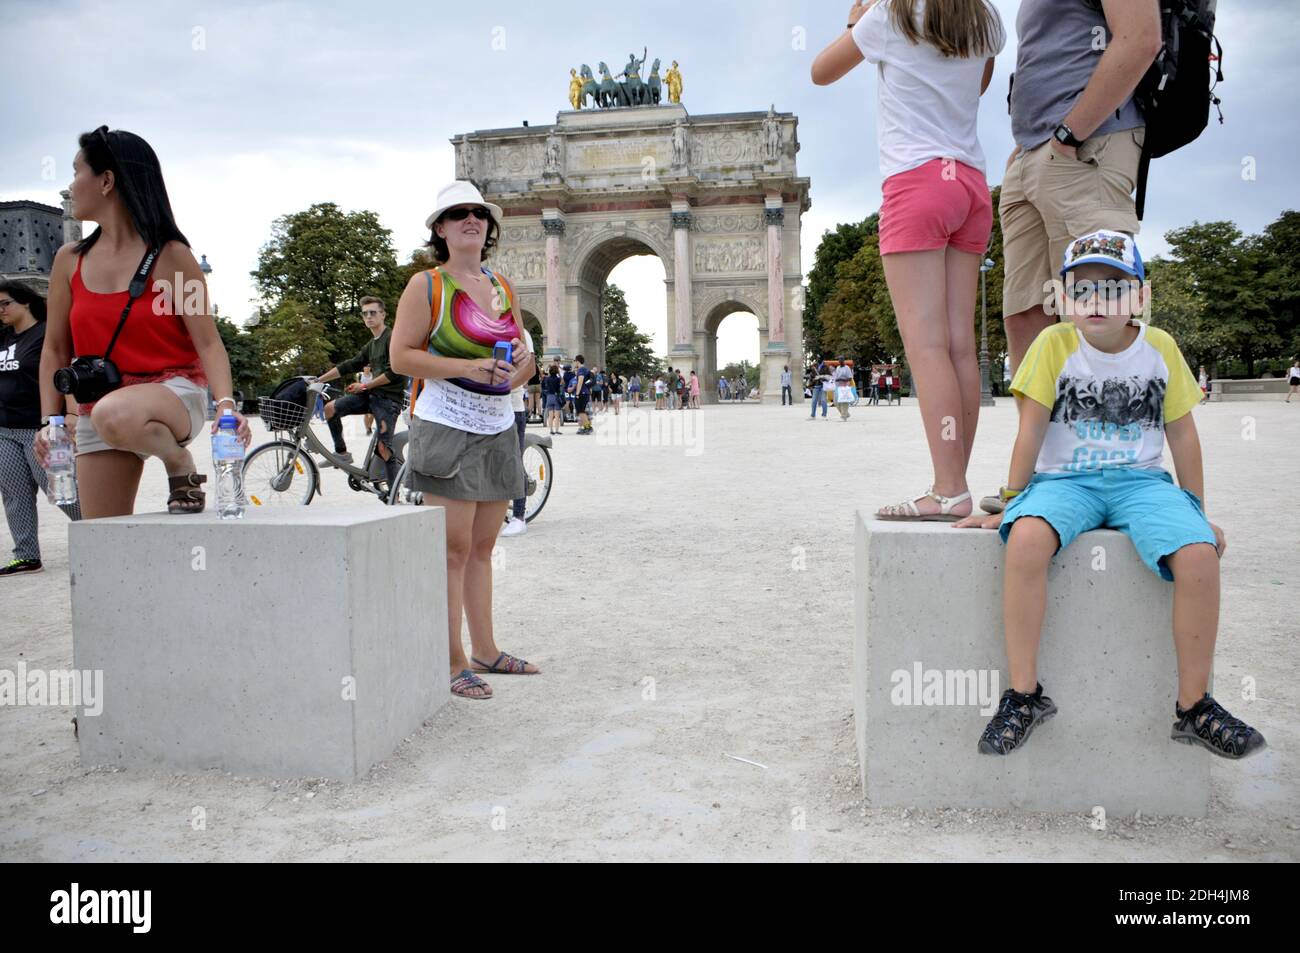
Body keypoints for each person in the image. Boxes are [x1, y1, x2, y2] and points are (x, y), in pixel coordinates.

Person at [956, 230, 1265, 760]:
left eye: (1114, 288)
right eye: (1083, 289)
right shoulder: (1053, 345)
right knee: (1025, 540)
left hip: (1141, 481)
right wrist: (1012, 499)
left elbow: (1182, 435)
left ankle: (1193, 705)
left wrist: (1196, 512)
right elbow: (1030, 431)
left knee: (1198, 555)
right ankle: (1024, 694)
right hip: (1064, 481)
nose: (1097, 300)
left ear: (1140, 298)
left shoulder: (1160, 348)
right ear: (1063, 297)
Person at [815, 0, 1006, 520]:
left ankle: (948, 489)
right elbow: (979, 83)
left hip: (916, 181)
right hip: (969, 182)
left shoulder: (890, 15)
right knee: (960, 349)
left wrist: (856, 21)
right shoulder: (985, 17)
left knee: (926, 349)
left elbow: (820, 72)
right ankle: (953, 485)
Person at [979, 0, 1162, 516]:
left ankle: (1120, 476)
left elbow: (1141, 38)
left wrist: (1068, 133)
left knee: (1102, 312)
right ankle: (1047, 470)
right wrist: (1033, 144)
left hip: (1087, 146)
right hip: (1036, 151)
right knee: (1025, 316)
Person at [35, 125, 250, 518]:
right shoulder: (69, 259)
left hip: (172, 392)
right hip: (99, 404)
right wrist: (52, 421)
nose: (70, 184)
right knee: (101, 538)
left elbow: (208, 342)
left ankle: (177, 462)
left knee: (113, 413)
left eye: (76, 171)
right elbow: (54, 348)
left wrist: (225, 407)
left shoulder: (170, 255)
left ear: (106, 181)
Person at [390, 180, 539, 700]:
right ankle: (451, 660)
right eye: (458, 215)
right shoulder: (425, 285)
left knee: (482, 546)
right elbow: (401, 357)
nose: (471, 220)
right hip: (446, 421)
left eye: (478, 213)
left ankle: (486, 650)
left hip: (497, 422)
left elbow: (525, 360)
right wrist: (469, 365)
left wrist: (519, 369)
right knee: (452, 549)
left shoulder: (502, 285)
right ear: (440, 229)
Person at [0, 282, 81, 576]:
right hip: (5, 428)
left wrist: (71, 411)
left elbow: (64, 373)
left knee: (59, 488)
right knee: (14, 494)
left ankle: (99, 530)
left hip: (41, 428)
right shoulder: (3, 338)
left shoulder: (45, 334)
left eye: (5, 303)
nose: (1, 311)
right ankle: (26, 556)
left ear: (25, 303)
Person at [316, 296, 407, 492]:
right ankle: (341, 453)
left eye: (373, 312)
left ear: (383, 314)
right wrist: (318, 380)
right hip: (371, 396)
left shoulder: (392, 338)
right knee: (330, 408)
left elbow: (395, 372)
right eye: (365, 314)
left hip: (388, 401)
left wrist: (365, 386)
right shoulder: (371, 344)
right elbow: (350, 364)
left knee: (384, 448)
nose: (368, 317)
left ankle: (394, 496)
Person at [502, 329, 536, 537]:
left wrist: (501, 388)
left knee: (514, 462)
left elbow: (529, 369)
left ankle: (518, 516)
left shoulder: (521, 333)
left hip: (512, 406)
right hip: (485, 408)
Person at [570, 354, 594, 434]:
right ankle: (586, 426)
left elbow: (580, 381)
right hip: (586, 392)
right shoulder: (586, 369)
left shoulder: (581, 369)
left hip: (582, 393)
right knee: (582, 411)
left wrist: (577, 393)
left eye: (575, 361)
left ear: (577, 361)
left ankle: (588, 427)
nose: (575, 363)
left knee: (581, 411)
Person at [541, 363, 564, 434]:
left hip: (549, 397)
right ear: (556, 372)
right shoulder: (558, 379)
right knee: (557, 416)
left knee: (550, 415)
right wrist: (559, 373)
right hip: (556, 396)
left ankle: (551, 430)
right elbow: (562, 382)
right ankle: (557, 430)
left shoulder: (547, 379)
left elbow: (544, 376)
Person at [359, 364, 374, 434]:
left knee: (372, 413)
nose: (367, 368)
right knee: (365, 413)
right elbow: (358, 385)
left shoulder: (373, 375)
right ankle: (367, 429)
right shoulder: (360, 375)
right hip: (363, 395)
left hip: (372, 394)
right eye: (365, 366)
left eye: (368, 367)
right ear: (363, 368)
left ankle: (369, 426)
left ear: (370, 368)